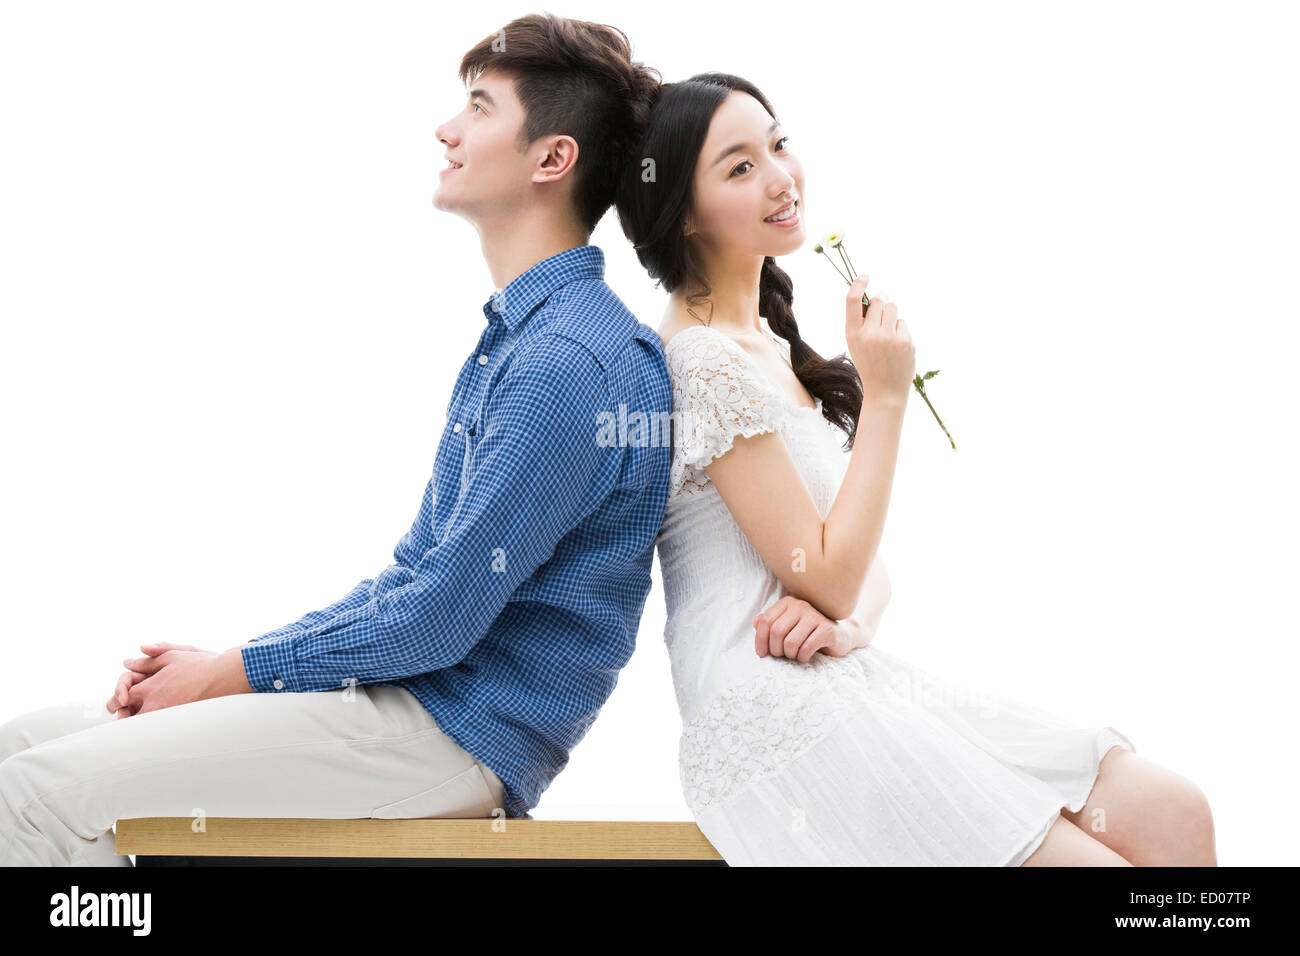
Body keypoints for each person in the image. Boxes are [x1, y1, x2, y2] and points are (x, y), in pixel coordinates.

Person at [0, 13, 668, 865]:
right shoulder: (527, 338)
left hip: (453, 733)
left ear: (551, 158)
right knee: (20, 746)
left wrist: (229, 673)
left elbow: (437, 619)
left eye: (478, 107)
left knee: (35, 800)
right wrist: (225, 664)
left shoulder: (568, 361)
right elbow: (412, 578)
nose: (447, 128)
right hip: (403, 705)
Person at [614, 72, 1218, 866]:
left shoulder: (767, 348)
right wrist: (888, 397)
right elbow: (825, 570)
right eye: (739, 167)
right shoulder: (699, 360)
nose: (780, 176)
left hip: (840, 670)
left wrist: (848, 622)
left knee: (1175, 811)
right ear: (684, 213)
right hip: (770, 710)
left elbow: (864, 576)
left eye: (779, 144)